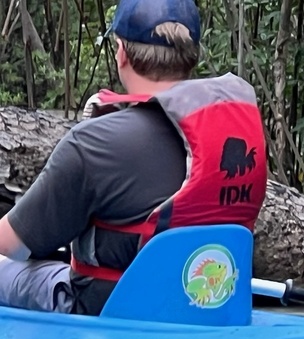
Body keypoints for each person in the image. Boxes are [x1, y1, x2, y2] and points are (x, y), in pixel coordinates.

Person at [0, 0, 267, 315]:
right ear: (192, 55)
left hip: (107, 312)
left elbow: (12, 245)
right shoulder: (232, 135)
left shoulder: (93, 143)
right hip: (208, 307)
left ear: (121, 52)